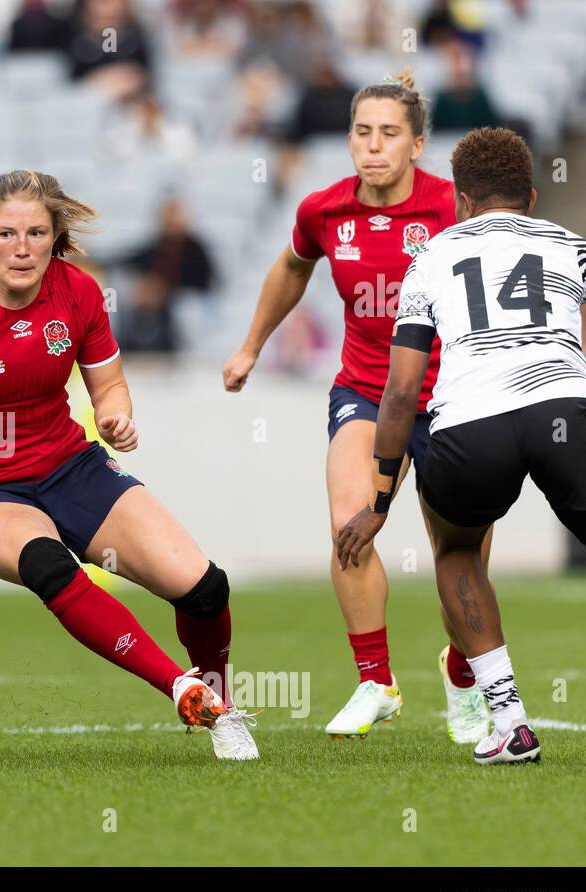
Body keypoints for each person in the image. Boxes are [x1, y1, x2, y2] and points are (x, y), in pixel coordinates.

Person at [0, 169, 260, 760]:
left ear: (53, 236)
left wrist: (116, 415)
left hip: (72, 466)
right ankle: (181, 688)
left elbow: (110, 384)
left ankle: (221, 702)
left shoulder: (79, 293)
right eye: (7, 234)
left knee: (204, 588)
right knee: (46, 562)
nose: (21, 248)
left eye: (36, 233)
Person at [222, 70, 494, 743]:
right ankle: (376, 681)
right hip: (367, 389)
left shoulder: (453, 209)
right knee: (349, 524)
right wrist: (252, 345)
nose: (373, 146)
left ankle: (463, 675)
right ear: (349, 140)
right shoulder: (323, 211)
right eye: (363, 132)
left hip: (453, 395)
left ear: (417, 145)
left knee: (460, 557)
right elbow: (292, 267)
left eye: (389, 134)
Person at [337, 126, 586, 764]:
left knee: (457, 551)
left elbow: (401, 391)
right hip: (561, 413)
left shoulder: (431, 257)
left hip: (470, 425)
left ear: (461, 200)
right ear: (533, 197)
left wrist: (379, 499)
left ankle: (510, 722)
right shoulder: (567, 243)